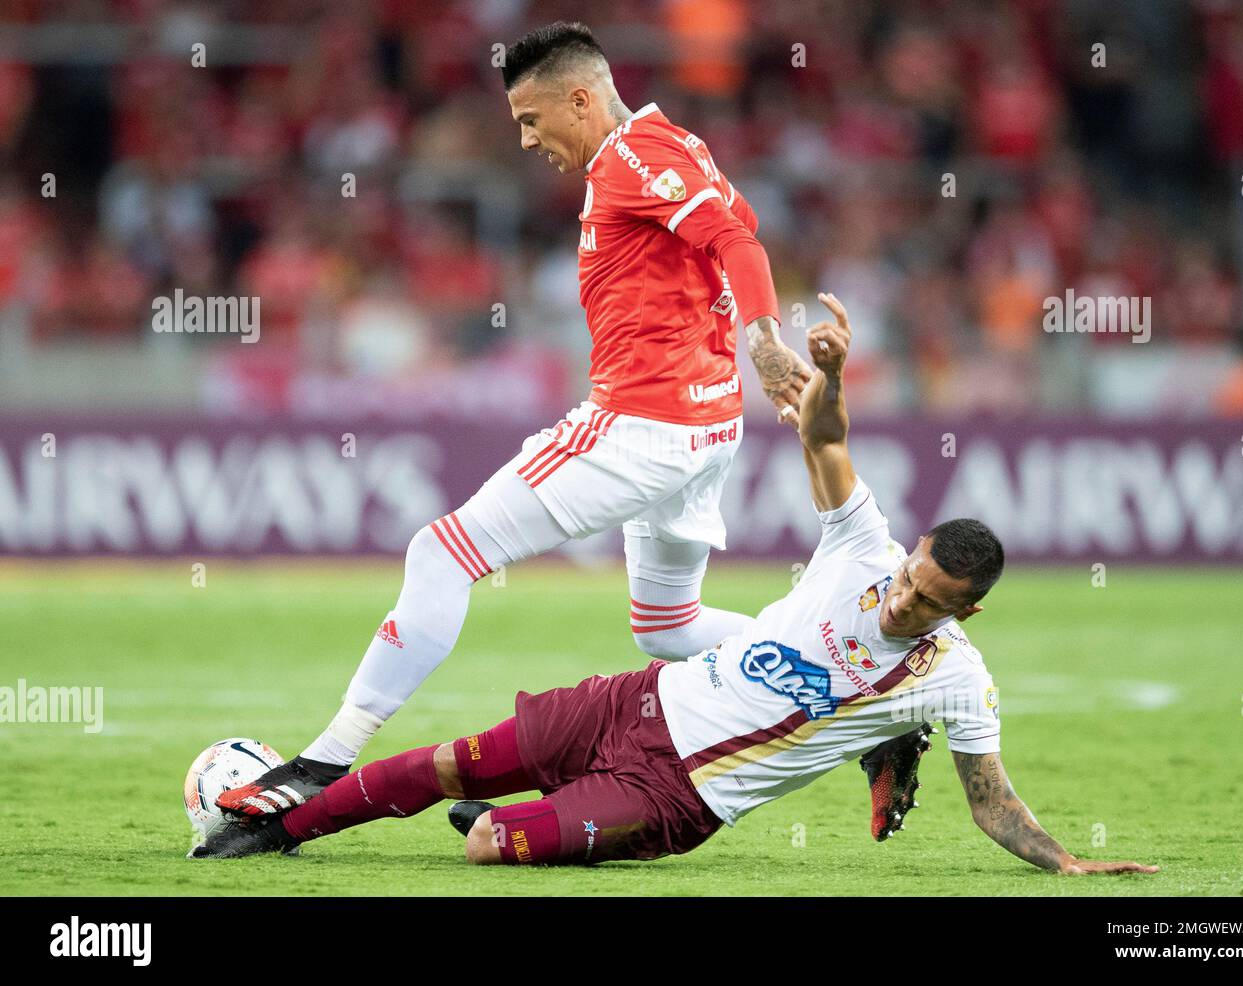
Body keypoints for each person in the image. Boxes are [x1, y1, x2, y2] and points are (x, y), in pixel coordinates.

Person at [194, 294, 1158, 878]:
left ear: (965, 611)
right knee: (448, 763)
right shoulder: (864, 548)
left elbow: (991, 799)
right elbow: (825, 440)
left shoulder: (958, 677)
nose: (906, 600)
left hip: (678, 792)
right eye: (912, 579)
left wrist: (1063, 859)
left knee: (485, 845)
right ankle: (277, 828)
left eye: (930, 602)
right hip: (638, 701)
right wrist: (829, 372)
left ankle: (541, 817)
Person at [216, 22, 813, 819]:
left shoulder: (635, 157)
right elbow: (736, 226)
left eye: (533, 120)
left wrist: (766, 342)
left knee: (441, 553)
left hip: (644, 422)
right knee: (669, 629)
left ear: (580, 97)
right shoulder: (676, 145)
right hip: (706, 428)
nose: (527, 140)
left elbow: (739, 243)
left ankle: (324, 762)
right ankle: (831, 673)